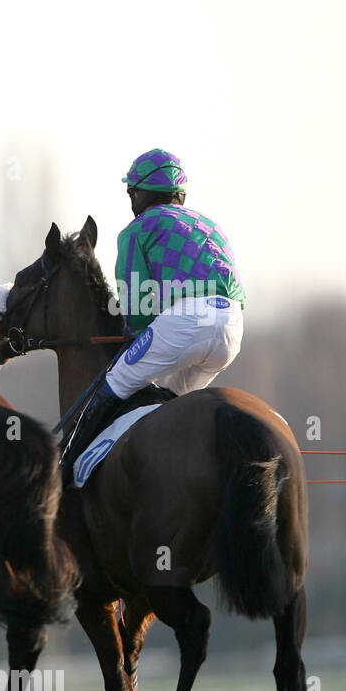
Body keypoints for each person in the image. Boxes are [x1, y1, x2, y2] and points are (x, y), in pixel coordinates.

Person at [60, 148, 245, 485]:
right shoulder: (208, 224)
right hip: (232, 328)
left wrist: (135, 331)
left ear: (141, 193)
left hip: (186, 324)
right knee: (168, 404)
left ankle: (64, 467)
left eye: (131, 192)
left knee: (116, 380)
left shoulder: (137, 229)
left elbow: (138, 302)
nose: (131, 199)